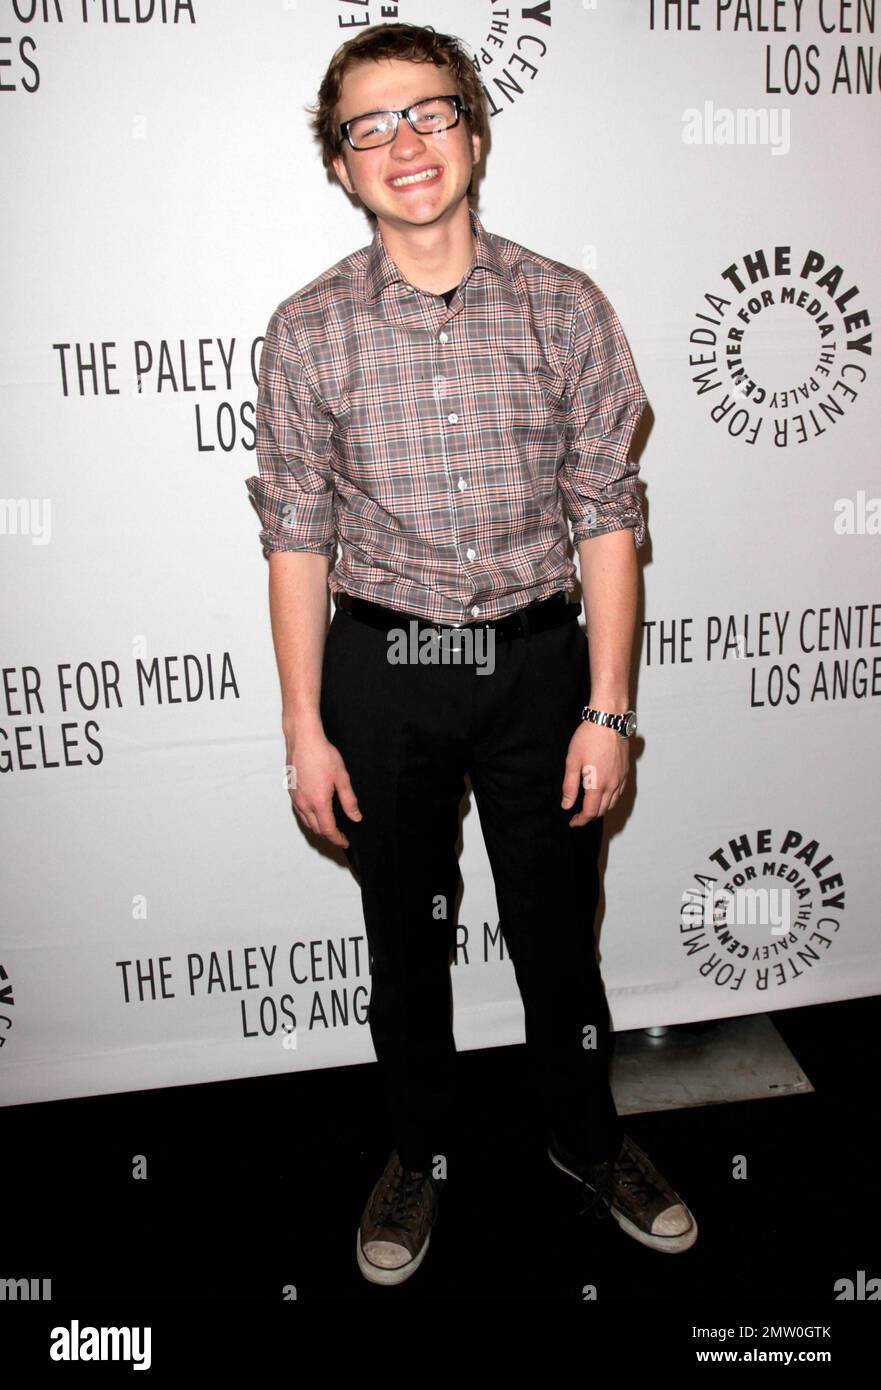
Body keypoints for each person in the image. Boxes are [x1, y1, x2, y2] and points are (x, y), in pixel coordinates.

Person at [245, 21, 697, 1287]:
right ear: (338, 165)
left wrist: (608, 709)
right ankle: (413, 1151)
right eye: (368, 127)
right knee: (405, 938)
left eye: (429, 112)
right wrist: (303, 726)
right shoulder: (308, 328)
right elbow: (296, 538)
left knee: (559, 934)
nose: (404, 144)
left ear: (476, 130)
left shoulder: (565, 304)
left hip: (539, 669)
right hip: (382, 676)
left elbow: (608, 513)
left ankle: (588, 1138)